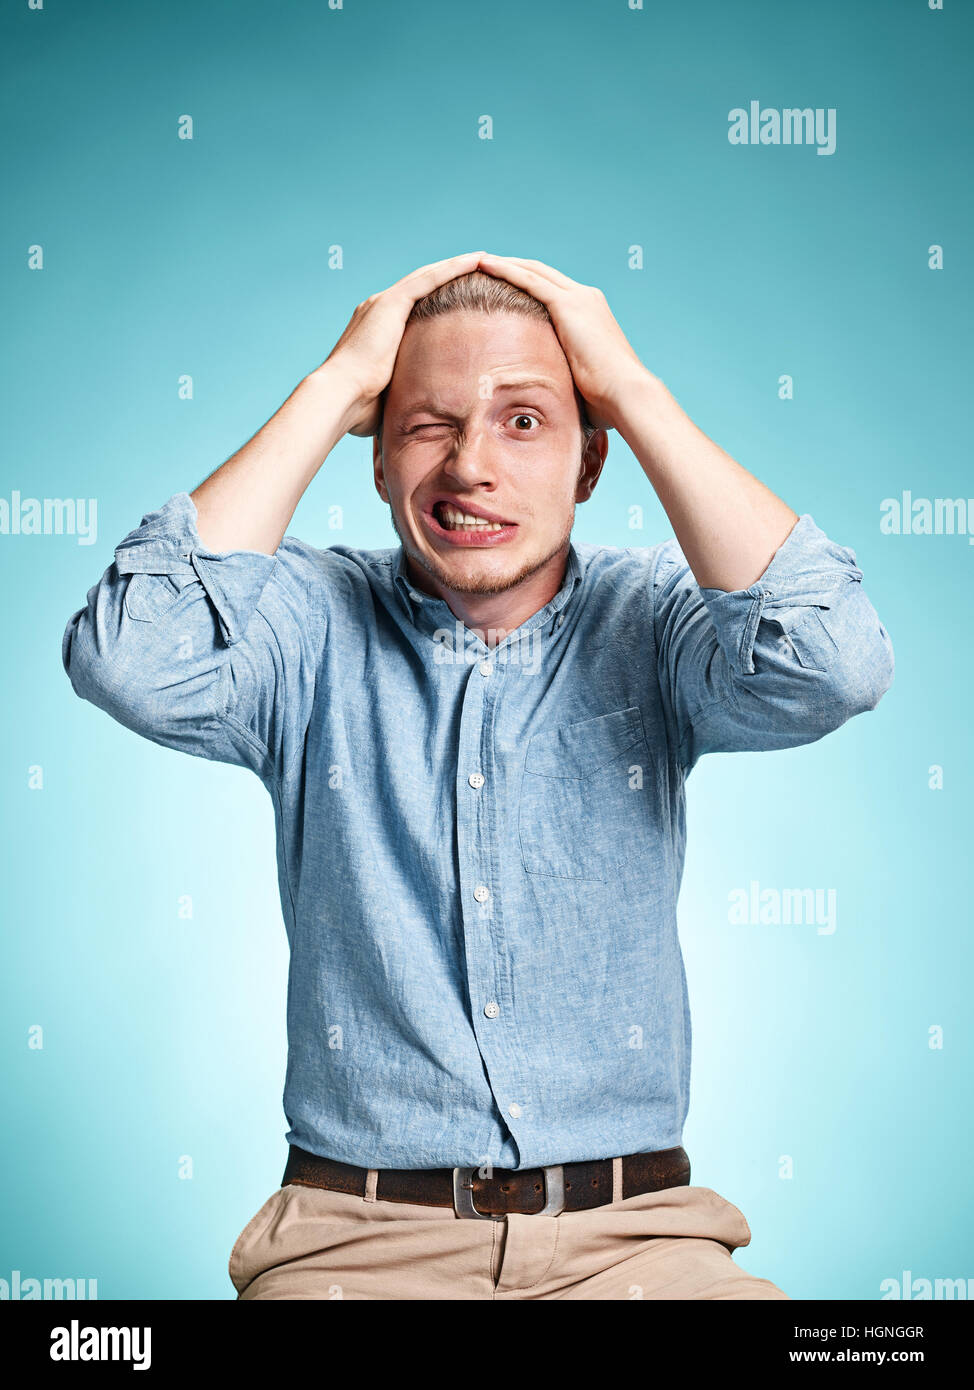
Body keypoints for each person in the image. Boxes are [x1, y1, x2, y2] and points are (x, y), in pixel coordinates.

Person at [61, 251, 894, 1300]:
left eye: (523, 421)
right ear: (372, 458)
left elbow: (839, 662)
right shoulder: (308, 624)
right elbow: (130, 658)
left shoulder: (655, 620)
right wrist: (328, 389)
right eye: (426, 424)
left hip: (637, 1244)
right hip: (357, 1249)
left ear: (589, 463)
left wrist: (632, 393)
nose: (470, 467)